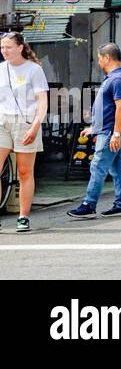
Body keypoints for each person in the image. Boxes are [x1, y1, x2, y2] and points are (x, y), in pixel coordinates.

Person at [66, 43, 121, 221]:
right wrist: (93, 128)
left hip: (110, 132)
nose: (98, 62)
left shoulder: (117, 79)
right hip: (108, 130)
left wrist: (116, 133)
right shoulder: (114, 77)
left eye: (99, 58)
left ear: (107, 58)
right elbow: (110, 108)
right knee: (117, 168)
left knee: (98, 167)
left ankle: (89, 205)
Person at [0, 32, 49, 233]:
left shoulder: (33, 70)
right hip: (2, 122)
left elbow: (43, 101)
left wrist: (36, 125)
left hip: (26, 123)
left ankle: (23, 216)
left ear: (20, 47)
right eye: (2, 47)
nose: (4, 51)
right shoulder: (0, 69)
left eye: (8, 47)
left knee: (24, 171)